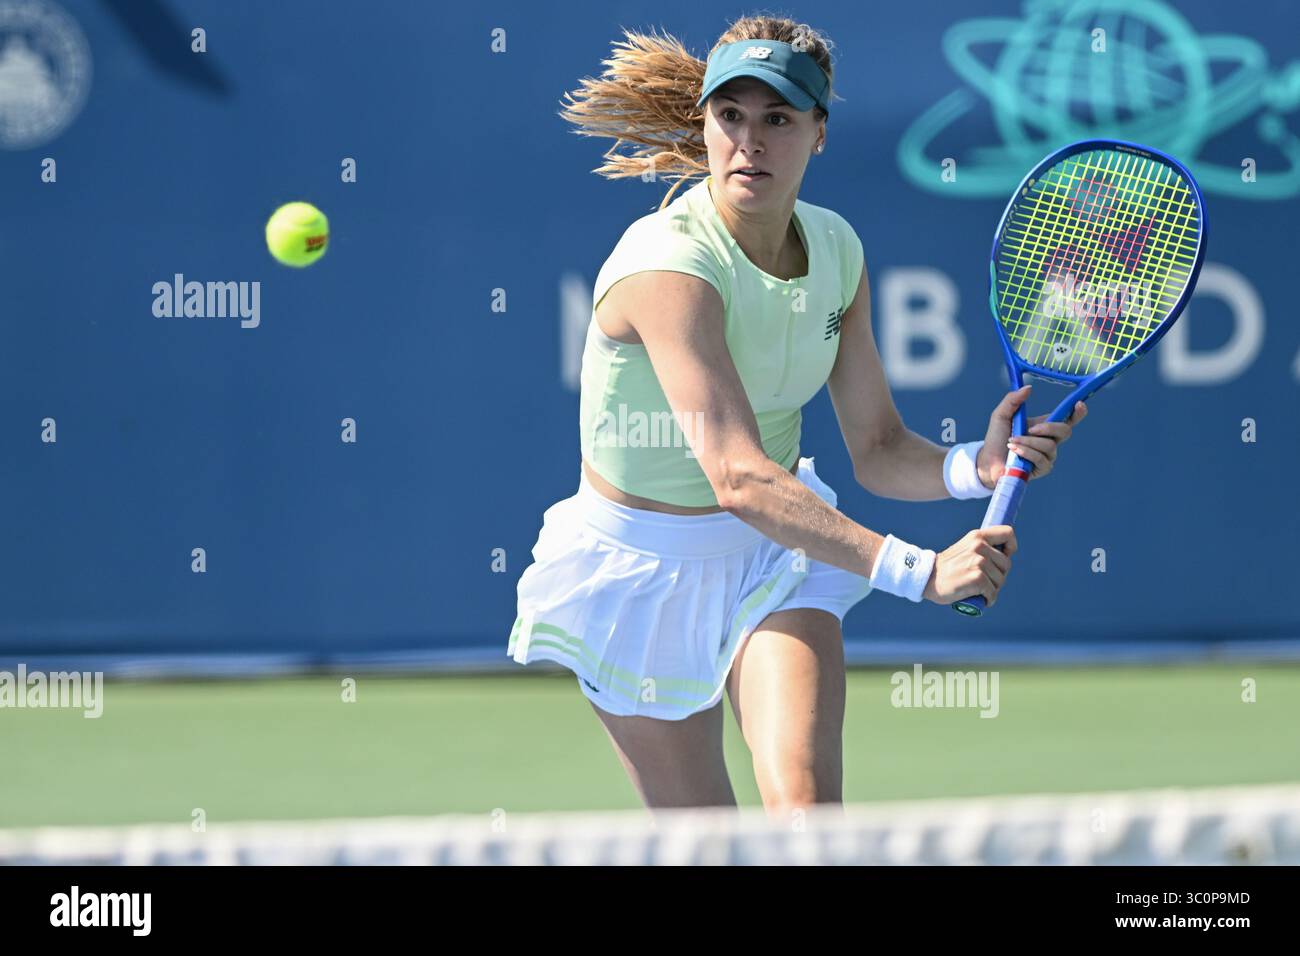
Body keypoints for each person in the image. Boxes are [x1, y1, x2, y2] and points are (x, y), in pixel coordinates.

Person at [507, 16, 1086, 814]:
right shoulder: (667, 264)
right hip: (638, 572)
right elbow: (739, 475)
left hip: (772, 556)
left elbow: (878, 447)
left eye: (778, 118)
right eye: (730, 117)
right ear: (704, 124)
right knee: (707, 842)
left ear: (818, 133)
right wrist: (921, 574)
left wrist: (970, 469)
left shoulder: (837, 250)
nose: (750, 141)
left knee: (809, 817)